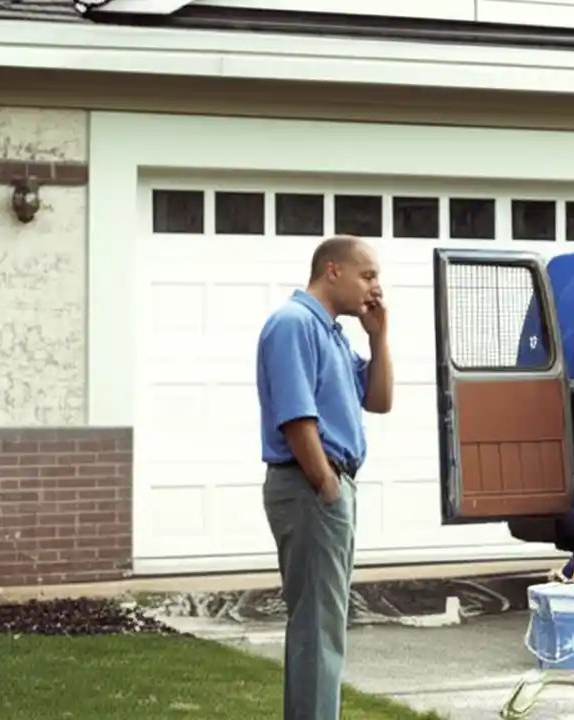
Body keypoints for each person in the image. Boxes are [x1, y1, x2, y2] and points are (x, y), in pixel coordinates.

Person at [254, 235, 393, 720]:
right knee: (318, 627)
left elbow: (378, 400)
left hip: (328, 487)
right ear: (333, 271)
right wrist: (326, 486)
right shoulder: (294, 325)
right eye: (368, 275)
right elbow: (296, 418)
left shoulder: (333, 332)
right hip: (311, 487)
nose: (375, 288)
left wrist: (378, 336)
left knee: (322, 625)